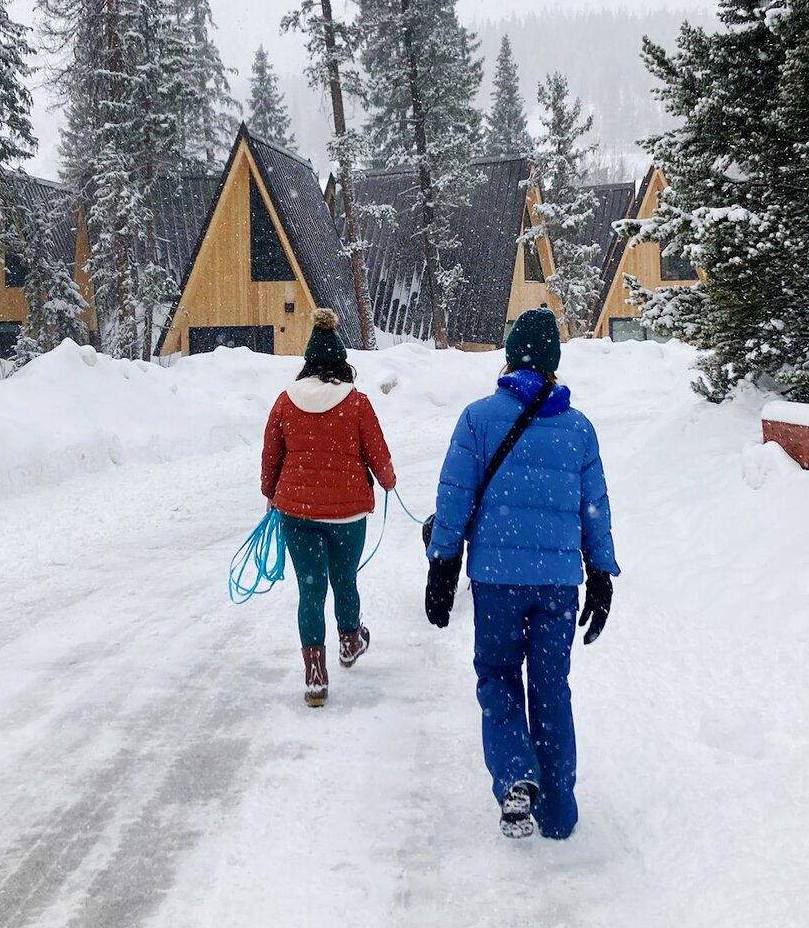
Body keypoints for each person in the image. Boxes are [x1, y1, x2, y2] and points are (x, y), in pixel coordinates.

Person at [425, 306, 618, 839]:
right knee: (552, 686)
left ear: (510, 358)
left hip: (497, 581)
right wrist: (600, 575)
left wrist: (442, 567)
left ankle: (515, 775)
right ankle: (558, 812)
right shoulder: (579, 430)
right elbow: (593, 509)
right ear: (554, 363)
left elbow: (454, 498)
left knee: (499, 676)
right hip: (558, 585)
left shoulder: (478, 419)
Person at [261, 309, 396, 708]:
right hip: (348, 515)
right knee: (344, 581)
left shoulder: (286, 402)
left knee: (310, 590)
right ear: (341, 363)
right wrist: (388, 481)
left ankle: (315, 677)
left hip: (297, 513)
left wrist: (271, 492)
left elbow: (272, 455)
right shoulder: (357, 404)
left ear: (307, 364)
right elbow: (378, 454)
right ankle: (350, 641)